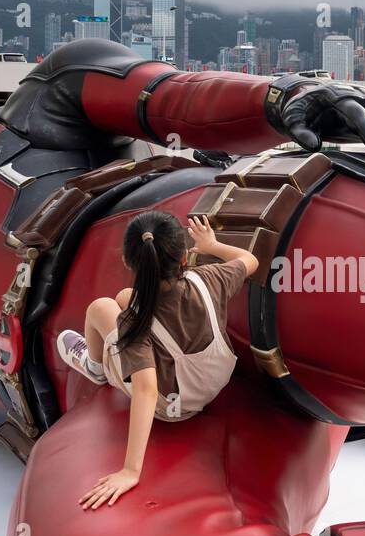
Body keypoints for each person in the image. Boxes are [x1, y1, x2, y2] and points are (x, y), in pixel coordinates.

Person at [57, 211, 257, 510]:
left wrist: (130, 471)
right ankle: (103, 360)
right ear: (184, 257)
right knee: (126, 296)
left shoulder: (134, 324)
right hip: (214, 381)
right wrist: (212, 245)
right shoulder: (210, 278)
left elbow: (147, 390)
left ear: (128, 262)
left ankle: (95, 366)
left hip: (175, 405)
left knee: (101, 307)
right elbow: (249, 260)